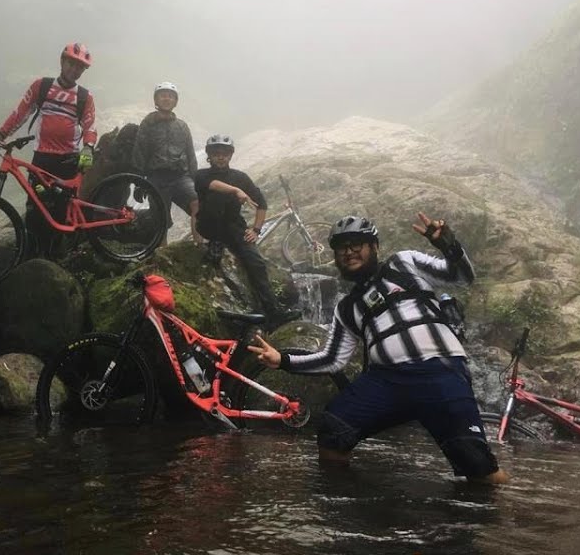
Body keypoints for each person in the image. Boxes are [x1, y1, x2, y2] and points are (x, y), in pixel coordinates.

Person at [246, 212, 509, 485]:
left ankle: (504, 508)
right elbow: (333, 359)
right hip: (387, 382)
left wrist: (448, 245)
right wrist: (283, 360)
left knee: (478, 466)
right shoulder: (346, 307)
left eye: (356, 243)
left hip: (441, 371)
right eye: (341, 248)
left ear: (375, 246)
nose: (348, 252)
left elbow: (461, 277)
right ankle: (348, 499)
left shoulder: (404, 262)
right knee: (333, 429)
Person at [0, 42, 97, 260]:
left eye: (80, 67)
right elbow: (20, 113)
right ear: (62, 61)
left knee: (61, 210)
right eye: (71, 64)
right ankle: (30, 257)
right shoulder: (42, 87)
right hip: (42, 158)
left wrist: (88, 148)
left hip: (68, 160)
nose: (74, 70)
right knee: (35, 207)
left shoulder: (85, 97)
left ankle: (54, 260)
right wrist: (0, 136)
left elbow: (90, 125)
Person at [194, 134, 300, 328]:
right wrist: (235, 190)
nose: (220, 157)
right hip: (208, 225)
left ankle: (274, 312)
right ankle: (216, 241)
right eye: (216, 153)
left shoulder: (240, 177)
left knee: (256, 263)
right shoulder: (201, 175)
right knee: (216, 196)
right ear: (209, 155)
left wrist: (256, 229)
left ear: (230, 155)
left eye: (225, 153)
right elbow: (213, 185)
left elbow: (262, 204)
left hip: (234, 227)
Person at [130, 81, 203, 244]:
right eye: (163, 95)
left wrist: (196, 180)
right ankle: (161, 252)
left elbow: (190, 154)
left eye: (170, 96)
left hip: (181, 177)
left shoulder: (182, 126)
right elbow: (140, 151)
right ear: (156, 100)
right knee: (160, 218)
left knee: (197, 203)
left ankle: (199, 245)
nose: (167, 99)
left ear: (175, 101)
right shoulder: (148, 124)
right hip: (157, 177)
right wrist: (139, 182)